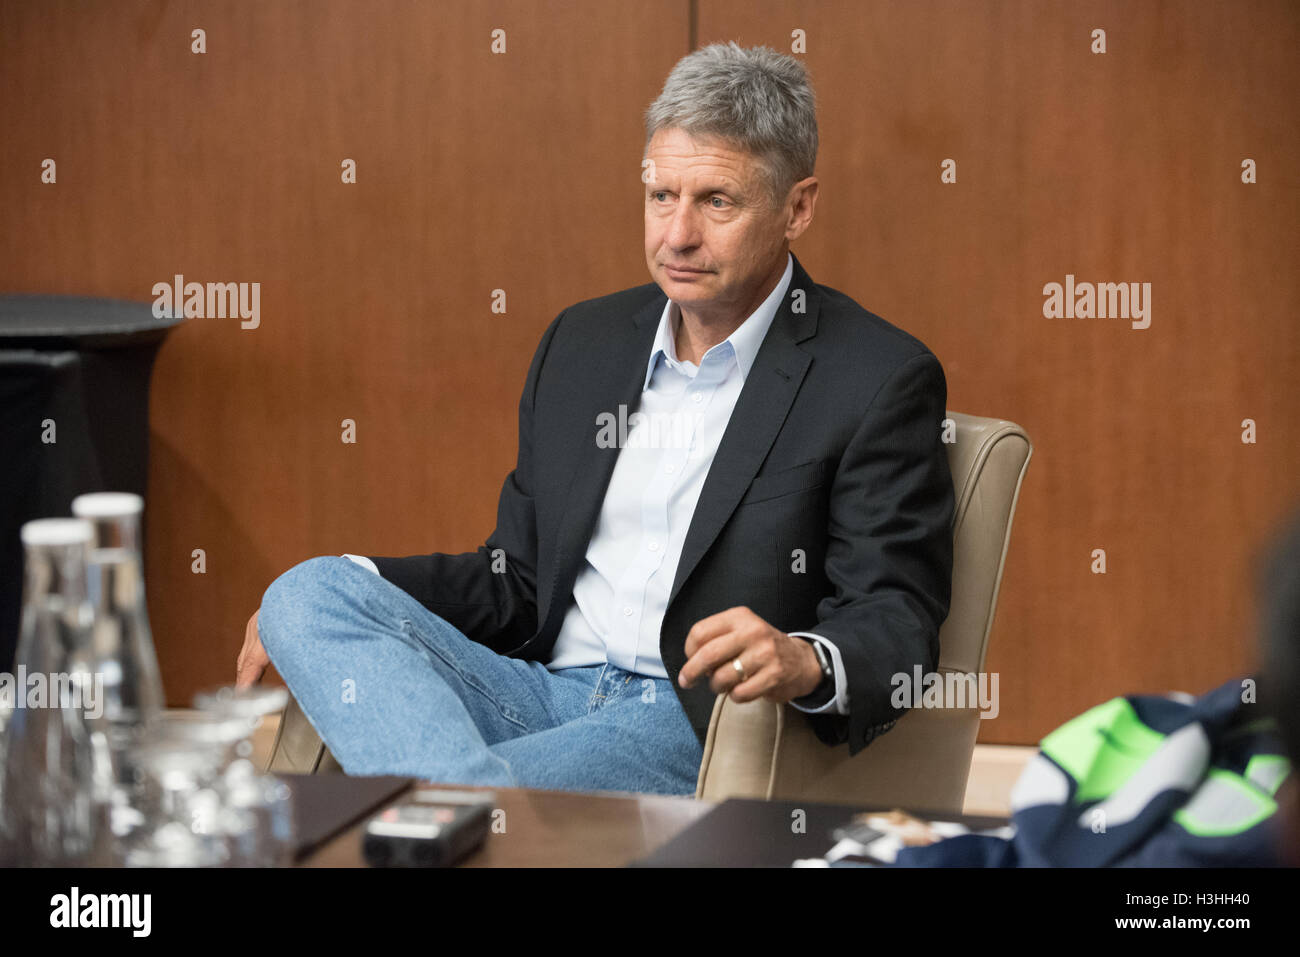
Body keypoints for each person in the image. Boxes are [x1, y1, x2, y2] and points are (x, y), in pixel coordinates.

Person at [235, 42, 955, 795]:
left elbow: (895, 613)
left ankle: (452, 806)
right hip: (535, 691)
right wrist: (357, 586)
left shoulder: (874, 376)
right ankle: (463, 801)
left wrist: (802, 657)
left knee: (444, 794)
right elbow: (513, 579)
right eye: (660, 196)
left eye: (716, 201)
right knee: (307, 591)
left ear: (797, 207)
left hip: (683, 720)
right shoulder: (583, 342)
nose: (677, 234)